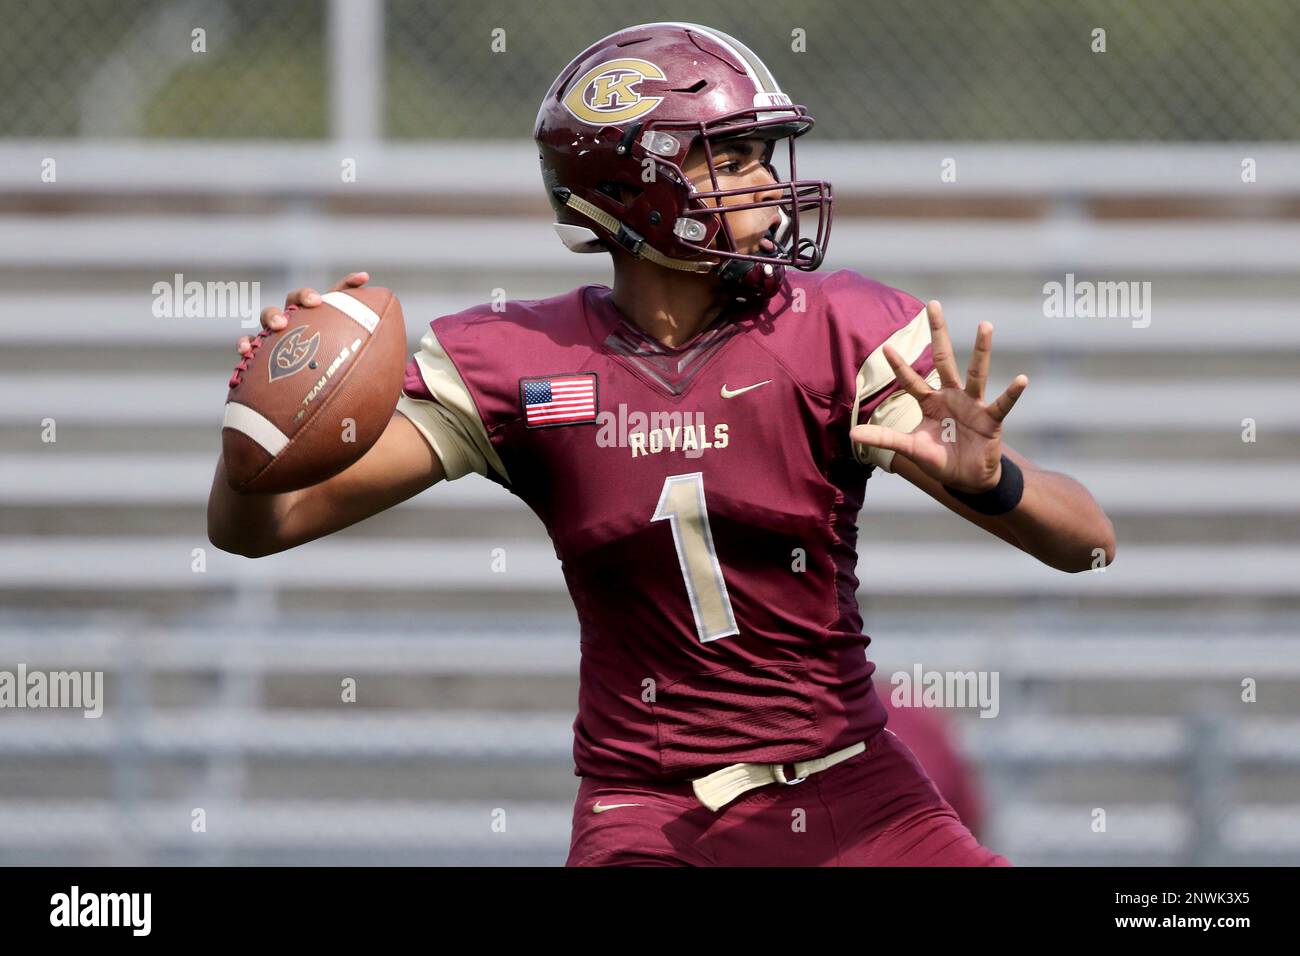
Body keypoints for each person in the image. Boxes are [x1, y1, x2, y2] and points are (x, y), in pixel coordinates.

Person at [208, 22, 1115, 866]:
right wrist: (261, 424)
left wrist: (996, 483)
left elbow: (1090, 544)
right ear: (636, 182)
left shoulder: (836, 332)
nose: (769, 183)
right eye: (734, 157)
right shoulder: (518, 361)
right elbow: (258, 527)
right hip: (646, 813)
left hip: (854, 788)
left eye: (767, 155)